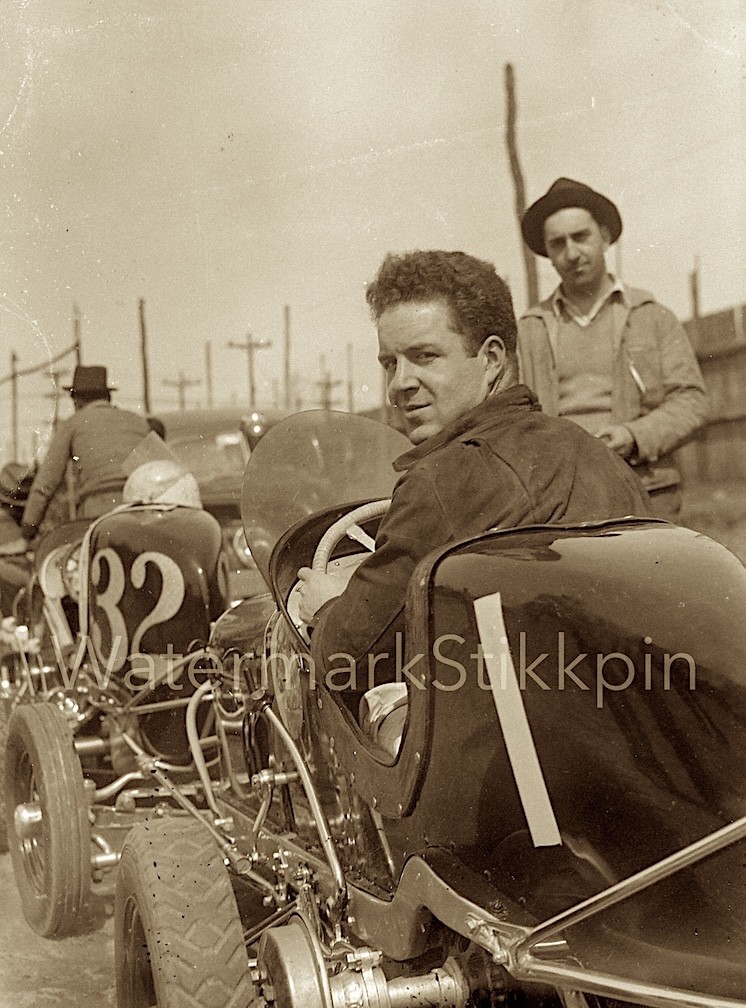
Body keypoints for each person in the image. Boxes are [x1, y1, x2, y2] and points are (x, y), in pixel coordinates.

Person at [297, 250, 652, 711]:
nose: (399, 383)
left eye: (425, 356)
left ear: (491, 359)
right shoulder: (595, 453)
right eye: (390, 363)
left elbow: (348, 659)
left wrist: (326, 608)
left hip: (521, 741)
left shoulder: (444, 480)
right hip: (629, 718)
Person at [517, 177, 708, 520]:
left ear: (604, 237)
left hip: (644, 488)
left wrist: (633, 435)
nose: (571, 253)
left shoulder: (651, 316)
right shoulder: (530, 330)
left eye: (581, 237)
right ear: (547, 253)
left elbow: (692, 402)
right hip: (559, 500)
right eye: (558, 244)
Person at [20, 365, 151, 540]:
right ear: (108, 397)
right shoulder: (139, 422)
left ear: (77, 401)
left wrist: (28, 528)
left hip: (98, 511)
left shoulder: (72, 424)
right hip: (142, 508)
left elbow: (46, 483)